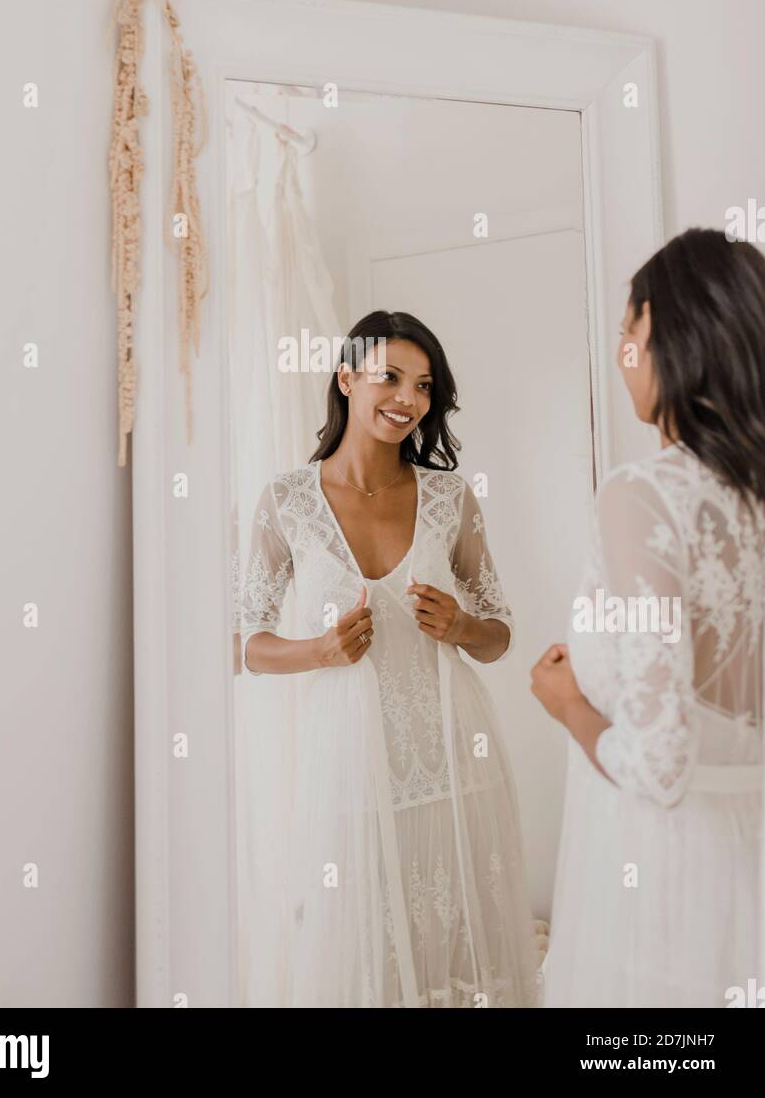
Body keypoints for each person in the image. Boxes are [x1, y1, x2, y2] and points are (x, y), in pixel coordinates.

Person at [240, 310, 538, 1007]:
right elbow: (239, 640)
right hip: (342, 764)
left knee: (454, 940)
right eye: (390, 377)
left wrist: (463, 625)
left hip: (450, 755)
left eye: (424, 385)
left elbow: (499, 635)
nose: (408, 399)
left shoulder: (449, 497)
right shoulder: (285, 501)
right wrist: (317, 649)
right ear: (346, 378)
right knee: (359, 948)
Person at [532, 228, 765, 1007]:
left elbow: (660, 765)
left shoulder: (645, 494)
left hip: (665, 885)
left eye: (628, 334)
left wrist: (567, 707)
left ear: (669, 338)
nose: (620, 356)